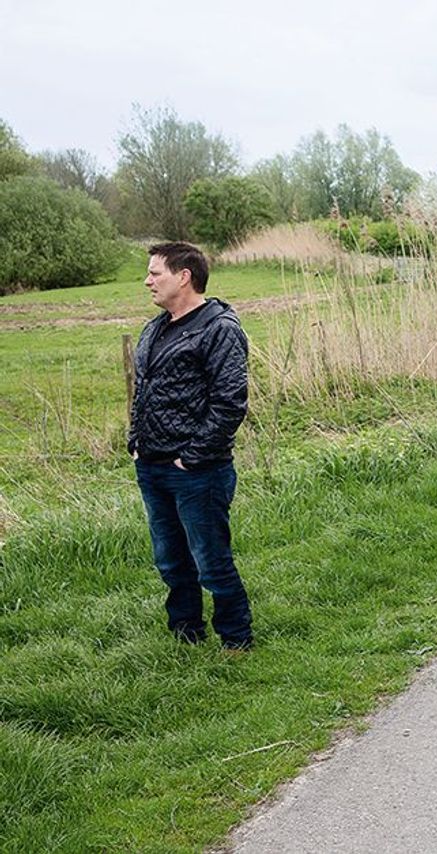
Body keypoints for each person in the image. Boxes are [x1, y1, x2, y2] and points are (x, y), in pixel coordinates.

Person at [129, 242, 254, 650]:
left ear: (184, 276)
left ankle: (236, 640)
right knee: (171, 560)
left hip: (198, 471)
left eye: (155, 273)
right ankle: (186, 636)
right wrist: (136, 442)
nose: (147, 281)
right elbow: (143, 391)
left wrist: (194, 456)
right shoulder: (155, 327)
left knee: (211, 562)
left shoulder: (219, 329)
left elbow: (230, 400)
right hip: (152, 466)